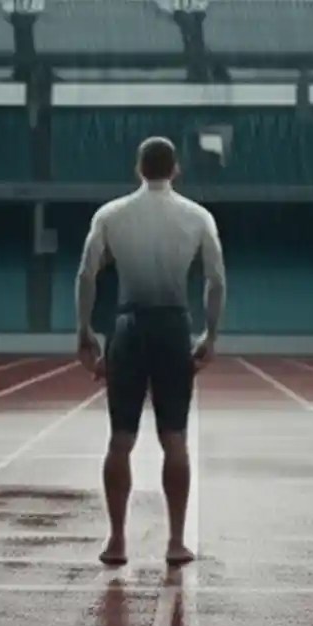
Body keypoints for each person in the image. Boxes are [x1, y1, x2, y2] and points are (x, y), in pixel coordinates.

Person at [75, 136, 226, 566]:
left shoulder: (111, 214)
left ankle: (117, 540)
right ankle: (176, 541)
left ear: (138, 168)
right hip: (173, 325)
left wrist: (84, 331)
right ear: (175, 169)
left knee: (120, 439)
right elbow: (216, 280)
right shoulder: (197, 216)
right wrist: (210, 335)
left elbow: (86, 275)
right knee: (174, 439)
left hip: (128, 325)